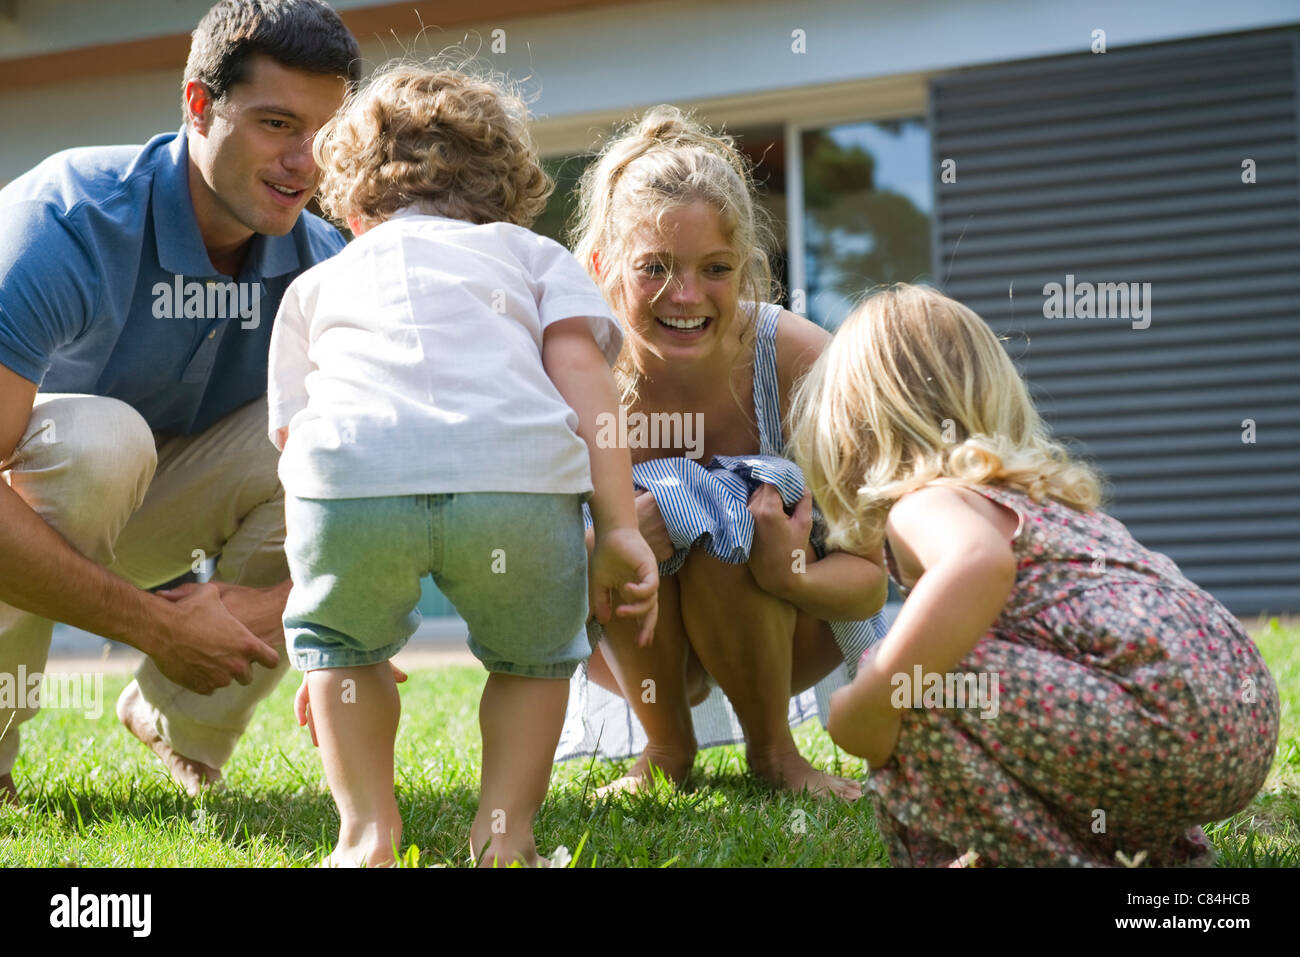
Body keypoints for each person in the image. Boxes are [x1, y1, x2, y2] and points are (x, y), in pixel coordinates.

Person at [276, 63, 659, 867]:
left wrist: (337, 629)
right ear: (508, 188)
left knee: (344, 654)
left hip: (350, 481)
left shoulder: (318, 282)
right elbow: (587, 385)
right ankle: (504, 832)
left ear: (347, 204)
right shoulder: (529, 256)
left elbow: (296, 439)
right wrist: (619, 525)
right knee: (533, 659)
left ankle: (366, 835)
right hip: (513, 485)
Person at [0, 0, 360, 802]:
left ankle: (184, 724)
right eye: (276, 124)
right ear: (198, 105)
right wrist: (155, 625)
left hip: (164, 507)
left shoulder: (326, 266)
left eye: (323, 136)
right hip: (49, 497)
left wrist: (293, 607)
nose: (305, 162)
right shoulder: (64, 221)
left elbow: (387, 479)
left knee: (328, 441)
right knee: (102, 440)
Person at [791, 283, 1280, 866]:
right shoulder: (1048, 501)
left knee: (915, 682)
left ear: (851, 435)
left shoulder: (927, 501)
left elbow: (977, 564)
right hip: (1235, 713)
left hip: (1162, 714)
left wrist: (870, 696)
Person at [556, 106, 889, 800]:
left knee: (722, 505)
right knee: (621, 528)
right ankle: (667, 747)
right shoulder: (576, 374)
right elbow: (527, 570)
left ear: (746, 268)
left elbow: (868, 578)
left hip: (784, 631)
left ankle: (776, 753)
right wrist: (609, 538)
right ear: (600, 264)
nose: (686, 296)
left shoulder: (799, 361)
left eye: (715, 268)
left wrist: (792, 571)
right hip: (641, 647)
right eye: (654, 267)